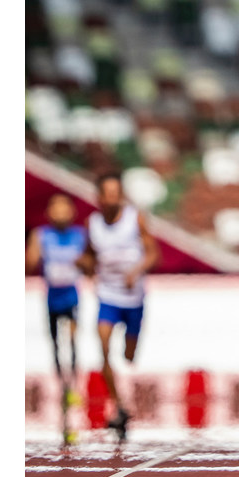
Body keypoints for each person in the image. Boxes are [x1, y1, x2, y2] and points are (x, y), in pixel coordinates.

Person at [76, 171, 160, 441]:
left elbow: (152, 253)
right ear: (99, 197)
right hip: (108, 295)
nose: (113, 198)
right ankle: (119, 405)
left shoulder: (134, 219)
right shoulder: (93, 224)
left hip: (133, 297)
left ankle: (130, 353)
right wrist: (84, 266)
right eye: (108, 194)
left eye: (116, 193)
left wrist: (136, 271)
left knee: (128, 356)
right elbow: (89, 256)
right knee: (103, 347)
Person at [25, 192, 86, 445]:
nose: (61, 214)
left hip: (71, 297)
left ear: (72, 212)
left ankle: (71, 386)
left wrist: (85, 263)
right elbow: (29, 263)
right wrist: (34, 251)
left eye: (65, 209)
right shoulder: (42, 235)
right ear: (50, 213)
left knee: (71, 341)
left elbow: (91, 263)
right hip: (51, 298)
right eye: (56, 209)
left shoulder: (80, 236)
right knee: (55, 343)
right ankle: (61, 383)